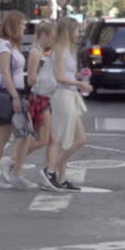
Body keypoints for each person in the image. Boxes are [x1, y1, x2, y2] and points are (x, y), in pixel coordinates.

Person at [0, 11, 37, 190]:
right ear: (14, 25)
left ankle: (11, 173)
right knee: (11, 135)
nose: (24, 27)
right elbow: (5, 72)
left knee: (19, 134)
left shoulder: (13, 45)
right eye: (22, 24)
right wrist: (14, 96)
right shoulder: (4, 44)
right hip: (7, 93)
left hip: (14, 92)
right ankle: (6, 175)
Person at [41, 17, 92, 192]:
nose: (79, 33)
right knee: (72, 139)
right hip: (62, 96)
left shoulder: (68, 50)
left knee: (73, 139)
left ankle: (61, 178)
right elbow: (59, 77)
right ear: (69, 31)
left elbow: (66, 75)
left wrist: (78, 75)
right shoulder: (61, 51)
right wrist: (81, 84)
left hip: (70, 95)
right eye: (76, 30)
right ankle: (50, 170)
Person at [11, 20, 57, 188]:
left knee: (48, 138)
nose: (53, 40)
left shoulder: (41, 52)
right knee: (43, 139)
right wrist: (43, 70)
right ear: (44, 35)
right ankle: (13, 161)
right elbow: (31, 79)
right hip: (39, 97)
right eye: (52, 37)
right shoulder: (36, 53)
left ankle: (17, 164)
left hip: (44, 96)